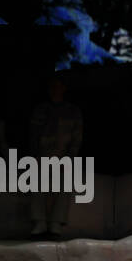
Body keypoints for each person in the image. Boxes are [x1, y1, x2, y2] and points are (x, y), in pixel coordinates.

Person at [28, 76, 83, 238]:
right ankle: (40, 221)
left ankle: (55, 223)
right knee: (38, 185)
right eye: (52, 86)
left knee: (63, 186)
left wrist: (69, 157)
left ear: (64, 88)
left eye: (58, 86)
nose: (55, 89)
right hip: (43, 153)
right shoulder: (41, 109)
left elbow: (77, 137)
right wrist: (35, 155)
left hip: (63, 153)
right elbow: (33, 134)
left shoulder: (73, 111)